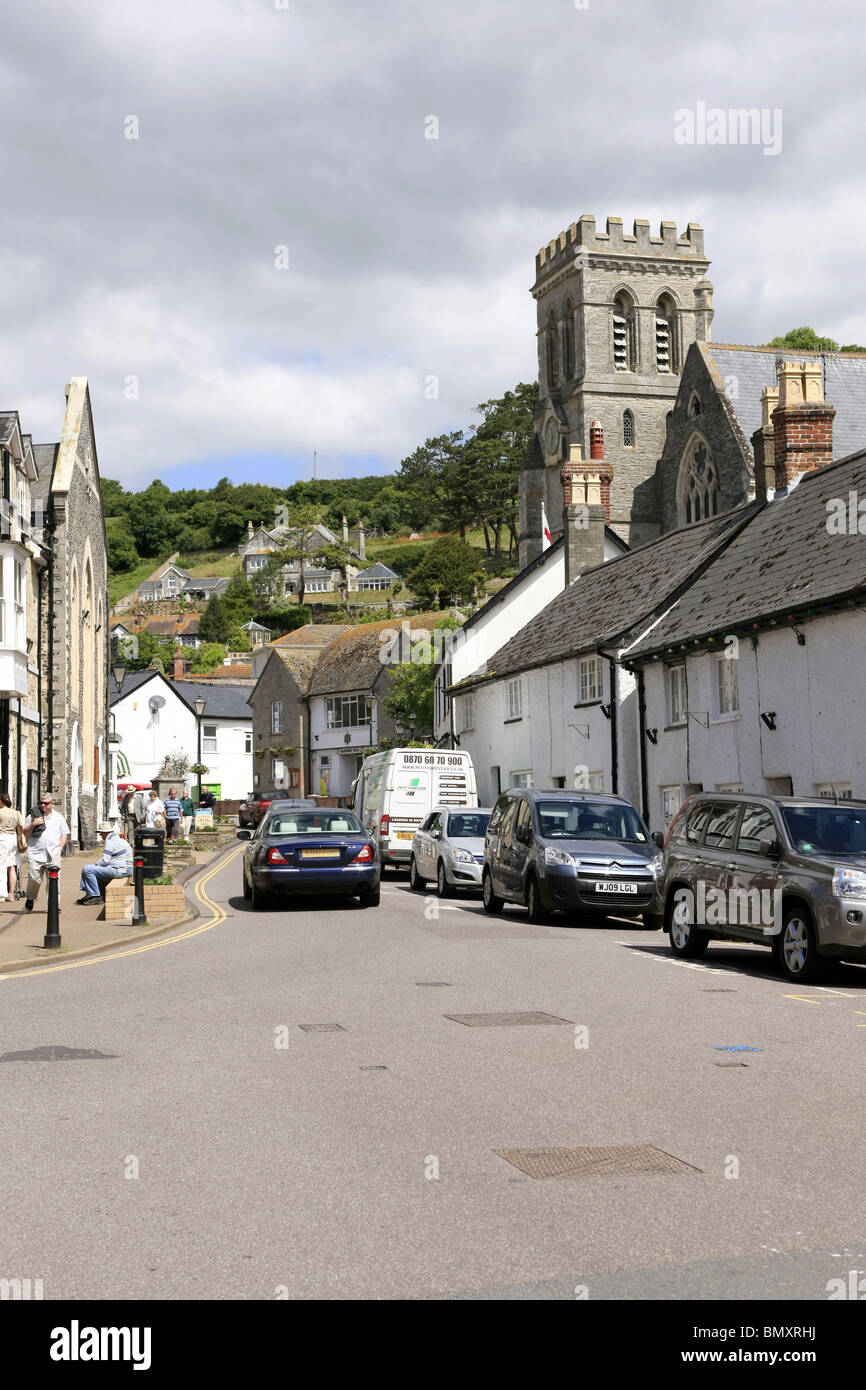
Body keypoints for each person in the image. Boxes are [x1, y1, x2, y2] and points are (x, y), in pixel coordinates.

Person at [22, 794, 70, 912]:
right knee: (34, 879)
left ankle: (53, 905)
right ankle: (30, 898)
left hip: (53, 853)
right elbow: (25, 833)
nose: (42, 805)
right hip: (35, 853)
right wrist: (33, 824)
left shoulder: (58, 817)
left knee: (54, 881)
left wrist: (60, 848)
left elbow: (64, 834)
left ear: (52, 804)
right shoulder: (33, 816)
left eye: (46, 803)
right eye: (41, 803)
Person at [77, 821, 134, 904]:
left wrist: (94, 865)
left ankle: (94, 896)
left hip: (120, 870)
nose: (100, 835)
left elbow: (105, 860)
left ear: (104, 833)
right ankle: (91, 894)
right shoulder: (117, 838)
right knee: (92, 869)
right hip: (126, 869)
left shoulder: (110, 841)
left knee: (87, 869)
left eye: (100, 833)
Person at [0, 792, 23, 902]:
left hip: (3, 839)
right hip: (13, 839)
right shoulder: (16, 813)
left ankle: (2, 894)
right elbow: (21, 826)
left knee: (2, 866)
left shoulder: (0, 812)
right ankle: (11, 894)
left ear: (1, 801)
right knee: (12, 867)